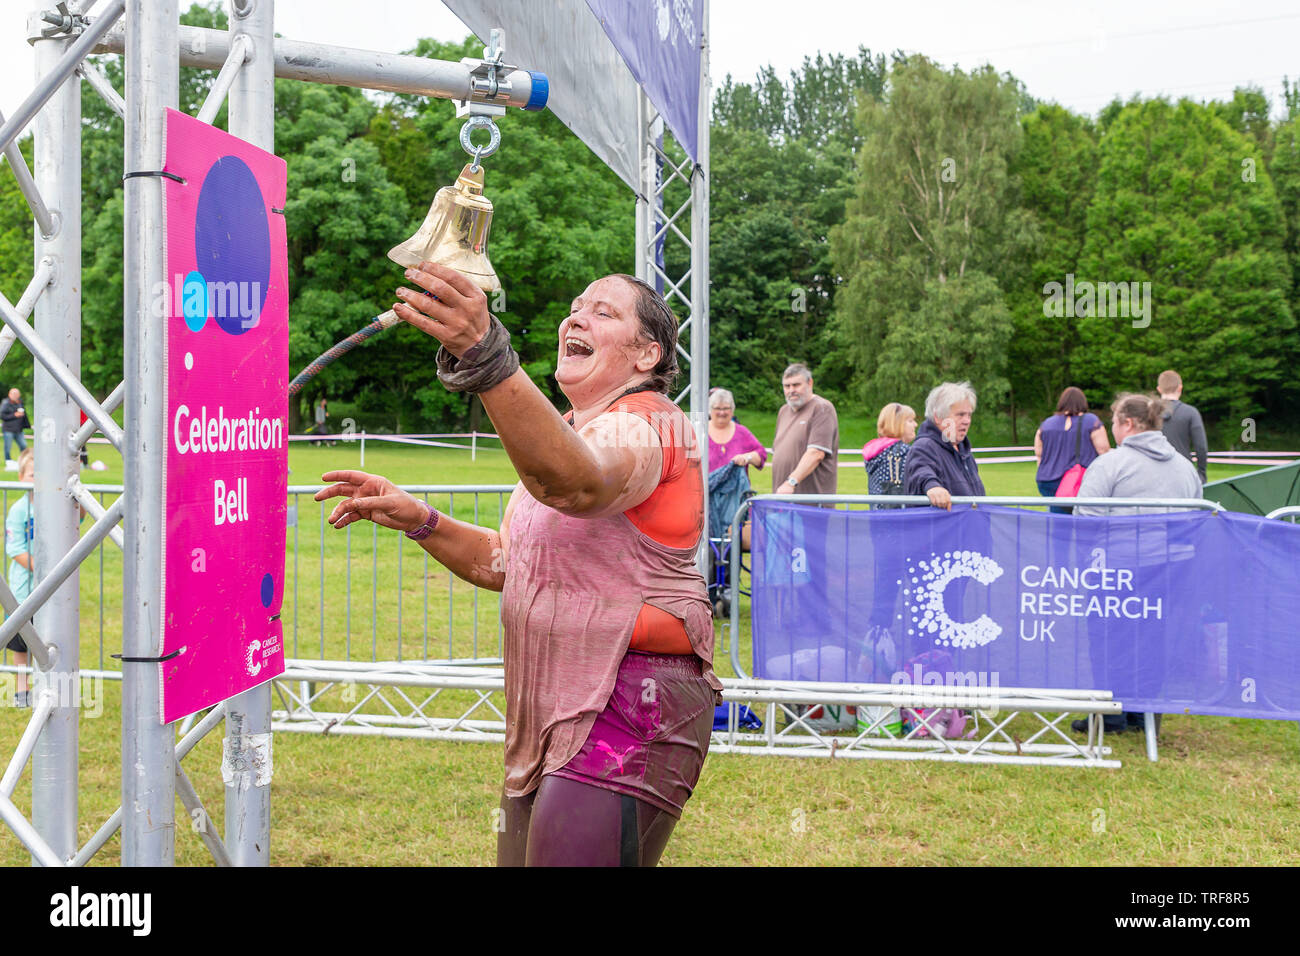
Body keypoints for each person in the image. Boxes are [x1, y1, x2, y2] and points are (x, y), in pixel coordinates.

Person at [317, 263, 720, 867]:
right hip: (550, 702)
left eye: (604, 311)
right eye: (576, 305)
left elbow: (577, 484)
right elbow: (506, 563)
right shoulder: (564, 429)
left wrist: (488, 357)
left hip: (635, 701)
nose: (576, 315)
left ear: (646, 354)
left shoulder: (655, 422)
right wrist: (420, 518)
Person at [1072, 393, 1201, 736]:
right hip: (1169, 570)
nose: (1112, 428)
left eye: (1113, 421)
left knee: (1108, 640)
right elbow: (1194, 520)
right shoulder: (1184, 468)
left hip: (1117, 568)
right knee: (1153, 639)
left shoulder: (1112, 464)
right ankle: (1142, 712)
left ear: (1127, 423)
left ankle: (1110, 712)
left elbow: (1086, 517)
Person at [903, 381, 985, 509]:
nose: (967, 421)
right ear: (938, 417)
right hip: (940, 528)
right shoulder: (924, 446)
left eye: (969, 415)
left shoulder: (964, 451)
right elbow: (921, 471)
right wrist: (932, 487)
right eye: (960, 415)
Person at [1034, 386, 1110, 514]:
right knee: (1083, 521)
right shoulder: (1091, 421)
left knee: (1058, 522)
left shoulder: (1046, 424)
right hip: (1079, 481)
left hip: (1047, 481)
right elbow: (1104, 451)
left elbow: (1039, 454)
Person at [706, 387, 765, 542]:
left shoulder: (742, 432)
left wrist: (747, 457)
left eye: (726, 408)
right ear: (710, 410)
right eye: (717, 408)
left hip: (735, 505)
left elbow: (761, 455)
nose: (722, 412)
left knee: (732, 549)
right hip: (706, 504)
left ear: (732, 410)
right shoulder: (700, 432)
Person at [771, 363, 838, 497]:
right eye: (787, 386)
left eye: (796, 385)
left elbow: (816, 453)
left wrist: (791, 482)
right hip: (782, 501)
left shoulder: (822, 409)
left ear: (810, 383)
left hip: (811, 505)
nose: (791, 390)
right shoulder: (783, 411)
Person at [5, 449, 34, 707]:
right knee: (20, 645)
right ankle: (22, 690)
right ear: (21, 477)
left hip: (54, 594)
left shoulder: (59, 508)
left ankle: (51, 685)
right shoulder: (18, 510)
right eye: (34, 475)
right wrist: (43, 570)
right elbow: (15, 550)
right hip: (23, 592)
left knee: (50, 639)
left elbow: (80, 516)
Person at [1156, 370, 1208, 484]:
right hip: (1183, 473)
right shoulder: (1191, 412)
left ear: (1159, 389)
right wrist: (1202, 474)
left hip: (1153, 472)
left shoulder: (1147, 412)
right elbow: (1201, 447)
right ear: (1180, 388)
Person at [863, 402, 917, 499]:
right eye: (910, 421)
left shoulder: (878, 451)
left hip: (877, 510)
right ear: (897, 424)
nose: (915, 425)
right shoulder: (902, 452)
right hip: (899, 511)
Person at [1, 389, 30, 468]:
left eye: (17, 394)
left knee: (23, 445)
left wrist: (27, 425)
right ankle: (8, 462)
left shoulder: (20, 402)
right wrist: (14, 415)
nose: (15, 395)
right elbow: (2, 416)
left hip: (19, 429)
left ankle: (23, 460)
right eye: (13, 394)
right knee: (8, 447)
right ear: (9, 394)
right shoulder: (6, 403)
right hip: (8, 429)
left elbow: (24, 415)